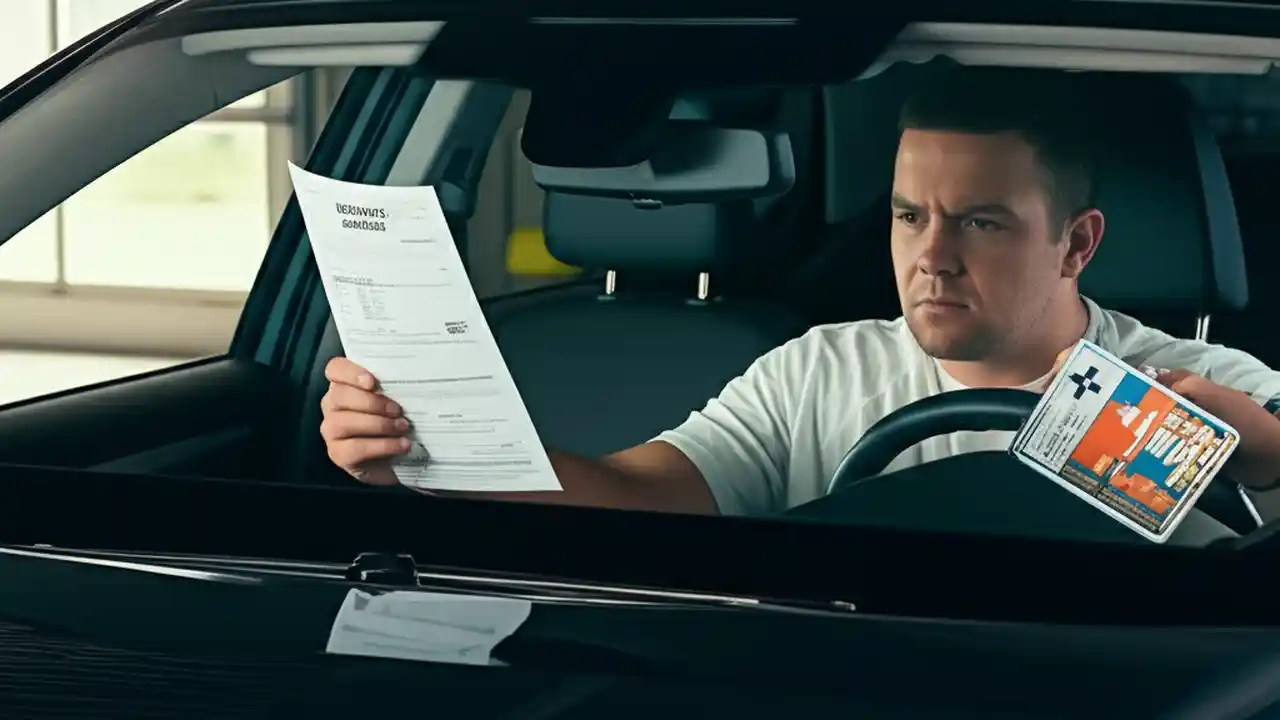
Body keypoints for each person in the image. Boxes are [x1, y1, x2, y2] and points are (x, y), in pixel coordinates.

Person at [319, 67, 1280, 516]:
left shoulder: (1190, 385)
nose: (931, 257)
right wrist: (429, 449)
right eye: (910, 216)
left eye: (981, 222)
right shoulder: (818, 371)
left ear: (1077, 243)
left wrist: (1263, 449)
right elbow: (643, 491)